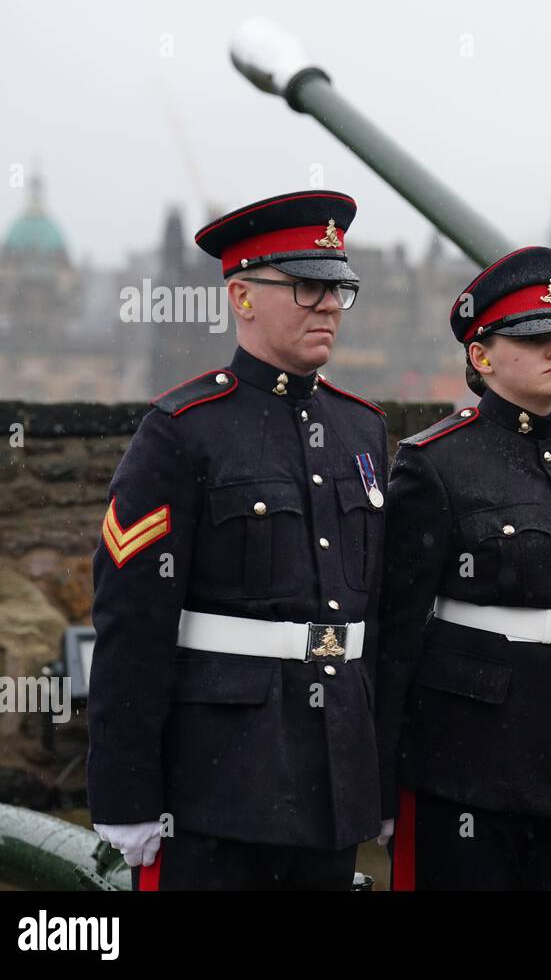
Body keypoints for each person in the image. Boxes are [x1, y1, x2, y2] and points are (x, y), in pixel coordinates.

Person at [88, 190, 387, 889]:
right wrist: (127, 795)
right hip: (218, 783)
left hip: (333, 777)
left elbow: (378, 620)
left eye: (340, 287)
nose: (329, 305)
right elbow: (133, 624)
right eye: (307, 287)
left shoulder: (361, 430)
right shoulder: (183, 430)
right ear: (243, 296)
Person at [374, 246, 551, 890]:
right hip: (468, 763)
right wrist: (379, 782)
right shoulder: (436, 463)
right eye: (534, 336)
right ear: (481, 354)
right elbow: (394, 633)